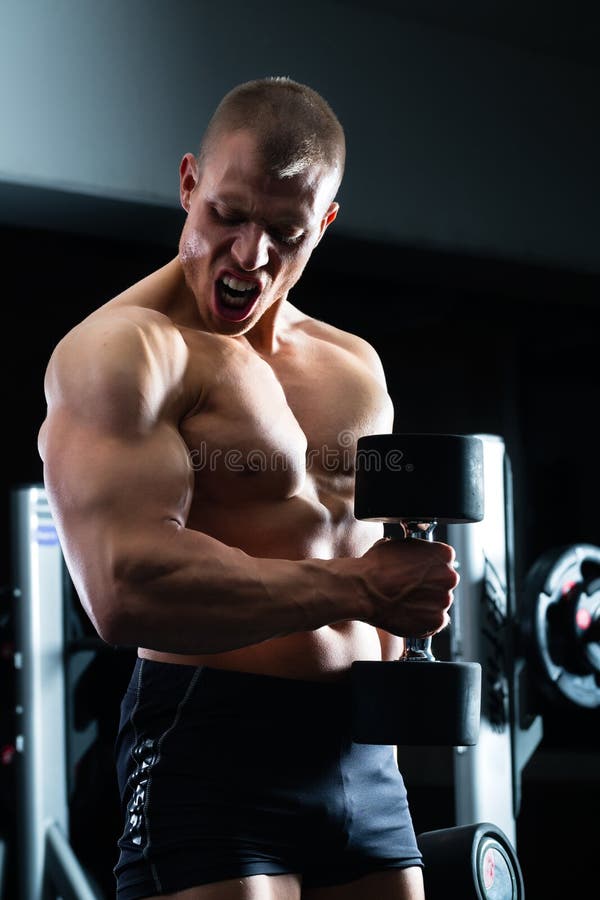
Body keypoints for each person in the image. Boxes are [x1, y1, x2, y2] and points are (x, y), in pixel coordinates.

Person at [38, 77, 458, 900]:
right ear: (190, 183)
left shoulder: (356, 366)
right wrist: (358, 586)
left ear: (324, 225)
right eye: (229, 216)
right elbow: (124, 591)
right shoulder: (125, 353)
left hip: (365, 762)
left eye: (285, 233)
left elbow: (370, 550)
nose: (250, 257)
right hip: (212, 738)